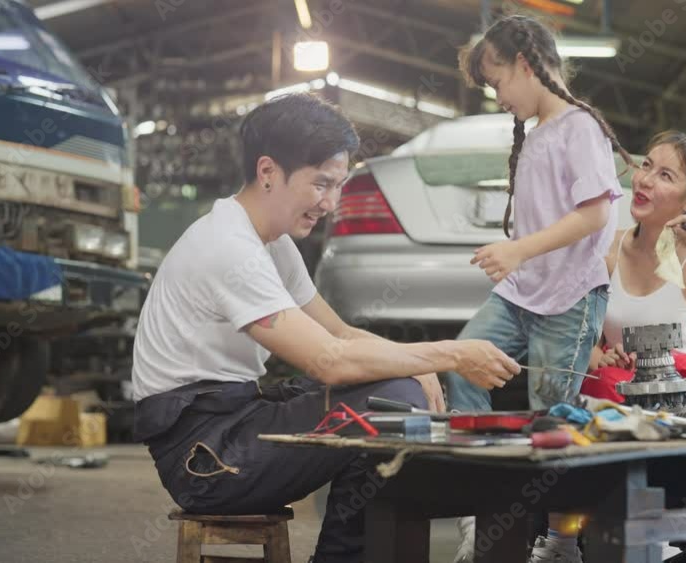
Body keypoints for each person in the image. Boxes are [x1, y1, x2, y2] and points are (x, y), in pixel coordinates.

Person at [130, 93, 520, 563]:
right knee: (395, 401)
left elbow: (339, 334)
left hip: (236, 417)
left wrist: (417, 365)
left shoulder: (271, 244)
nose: (331, 203)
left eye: (338, 186)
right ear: (268, 171)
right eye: (321, 184)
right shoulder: (228, 247)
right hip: (207, 458)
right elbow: (329, 362)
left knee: (392, 393)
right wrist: (451, 355)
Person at [442, 14, 631, 563]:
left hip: (570, 297)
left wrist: (518, 250)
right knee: (463, 363)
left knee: (551, 417)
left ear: (525, 64)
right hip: (522, 294)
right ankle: (478, 511)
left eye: (498, 81)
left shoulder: (580, 126)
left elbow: (595, 215)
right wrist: (518, 256)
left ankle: (562, 542)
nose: (497, 96)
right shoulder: (536, 133)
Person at [581, 130, 686, 416]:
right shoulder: (607, 249)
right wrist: (600, 358)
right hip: (616, 393)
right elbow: (576, 336)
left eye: (665, 176)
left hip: (685, 402)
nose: (644, 180)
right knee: (600, 386)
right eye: (646, 165)